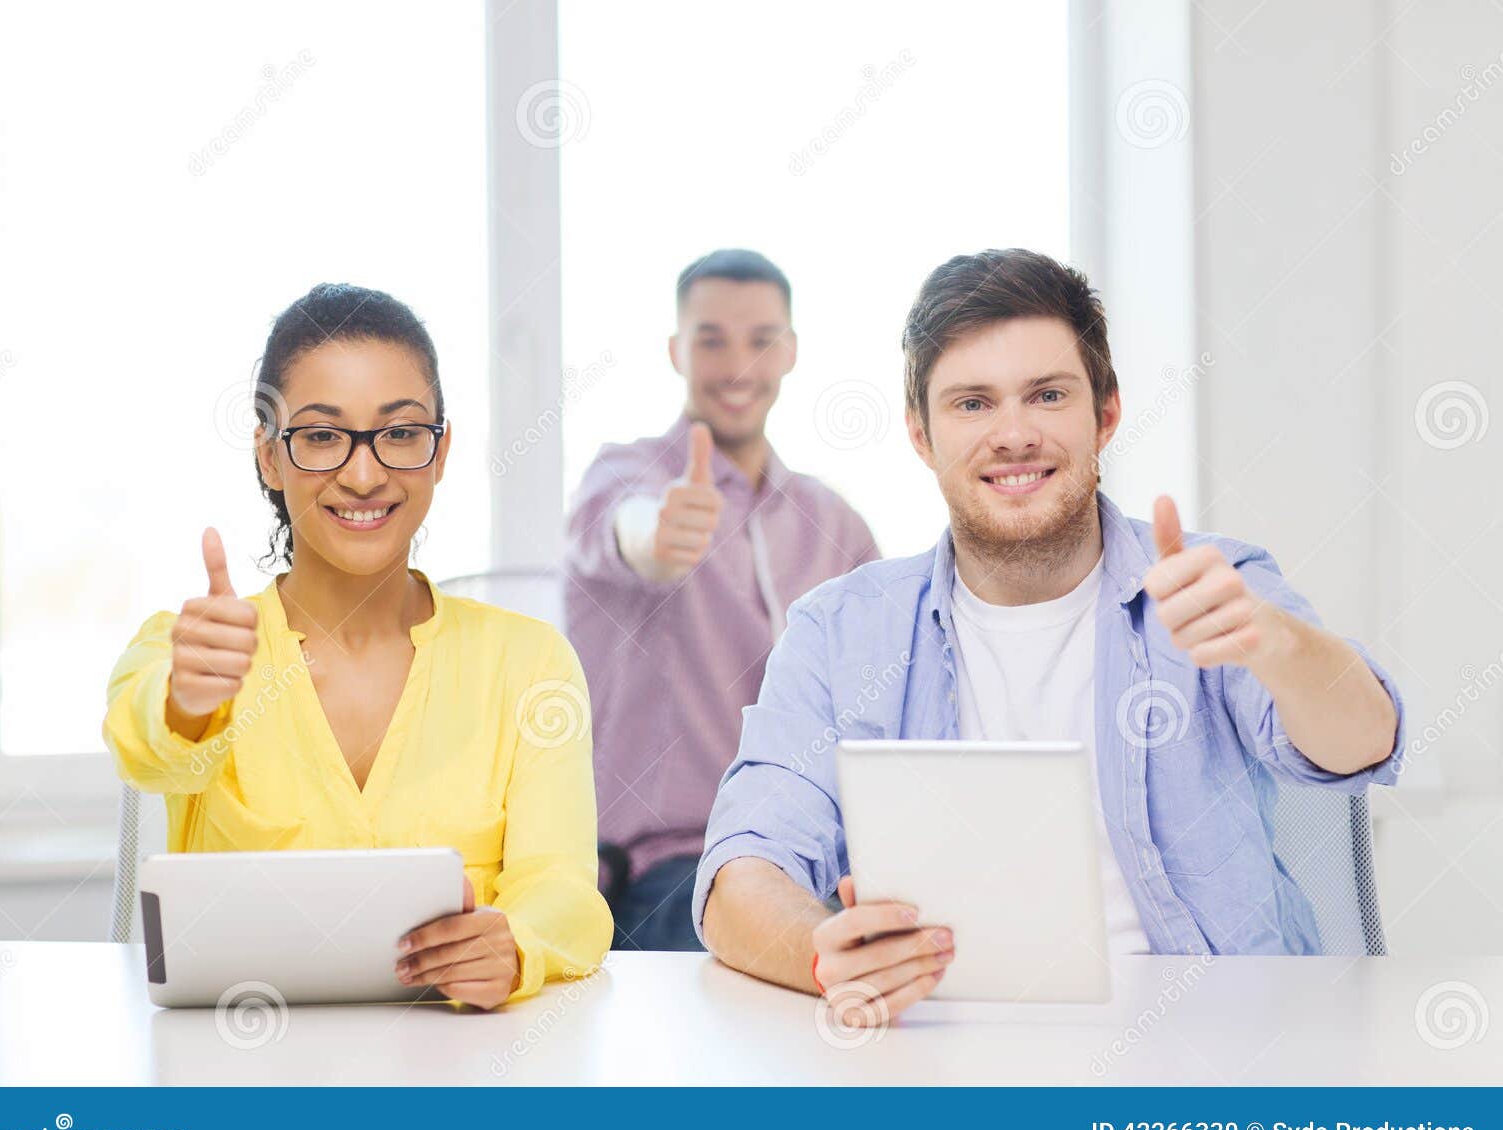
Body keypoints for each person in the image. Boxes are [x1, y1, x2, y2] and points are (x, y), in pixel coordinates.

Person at [693, 248, 1405, 1026]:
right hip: (942, 1051)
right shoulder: (841, 631)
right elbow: (741, 870)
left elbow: (1363, 739)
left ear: (1105, 414)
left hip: (1209, 1054)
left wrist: (1278, 645)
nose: (1013, 433)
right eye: (972, 403)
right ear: (921, 437)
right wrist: (823, 954)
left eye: (1047, 394)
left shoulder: (1213, 583)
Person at [102, 283, 612, 1008]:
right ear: (269, 457)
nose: (364, 472)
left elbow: (562, 889)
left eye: (400, 433)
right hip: (239, 1072)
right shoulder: (195, 648)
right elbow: (142, 740)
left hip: (461, 1071)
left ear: (440, 452)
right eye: (320, 435)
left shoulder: (529, 664)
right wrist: (186, 698)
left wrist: (517, 943)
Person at [564, 249, 880, 951]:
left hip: (817, 862)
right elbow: (624, 527)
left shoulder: (836, 524)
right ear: (677, 350)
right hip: (674, 872)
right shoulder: (626, 474)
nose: (738, 365)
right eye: (711, 340)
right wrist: (659, 536)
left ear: (790, 351)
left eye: (761, 339)